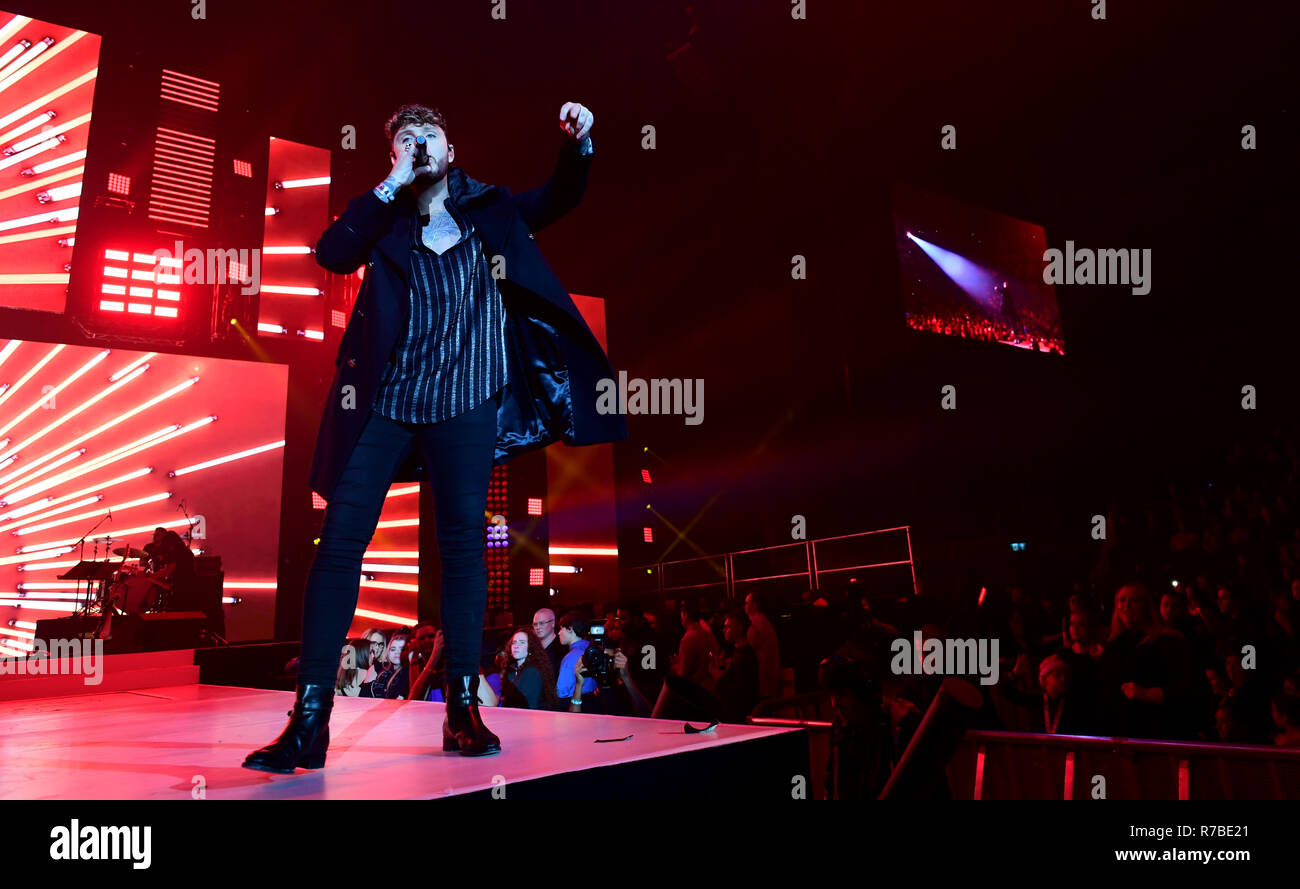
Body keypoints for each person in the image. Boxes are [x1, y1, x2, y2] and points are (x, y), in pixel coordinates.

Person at [244, 99, 626, 772]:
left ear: (451, 151)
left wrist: (579, 144)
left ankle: (461, 710)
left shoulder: (492, 210)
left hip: (467, 402)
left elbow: (562, 195)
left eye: (430, 137)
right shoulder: (385, 214)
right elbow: (333, 252)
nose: (419, 146)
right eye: (405, 141)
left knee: (462, 548)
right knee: (339, 542)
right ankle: (309, 718)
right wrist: (388, 185)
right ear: (395, 156)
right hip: (386, 401)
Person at [711, 609, 760, 723]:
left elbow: (741, 692)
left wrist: (718, 677)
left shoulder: (743, 655)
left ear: (740, 628)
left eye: (728, 627)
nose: (723, 630)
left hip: (739, 718)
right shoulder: (740, 652)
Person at [499, 628, 559, 710]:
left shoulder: (532, 672)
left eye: (522, 642)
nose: (516, 646)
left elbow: (529, 707)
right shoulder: (512, 671)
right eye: (514, 642)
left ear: (530, 647)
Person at [745, 592, 781, 699]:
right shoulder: (763, 621)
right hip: (768, 678)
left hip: (761, 680)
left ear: (754, 605)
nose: (745, 606)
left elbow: (748, 649)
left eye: (746, 603)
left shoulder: (754, 623)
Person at [556, 612, 596, 703]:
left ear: (570, 629)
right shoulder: (592, 651)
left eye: (561, 629)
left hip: (574, 708)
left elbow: (561, 693)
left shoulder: (569, 658)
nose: (559, 633)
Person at [532, 608, 565, 681]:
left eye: (542, 623)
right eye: (535, 624)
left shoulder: (562, 649)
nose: (538, 627)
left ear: (553, 623)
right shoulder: (532, 649)